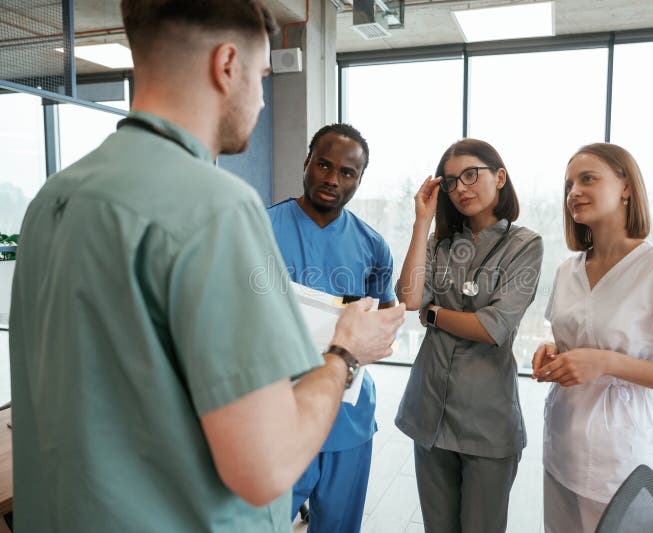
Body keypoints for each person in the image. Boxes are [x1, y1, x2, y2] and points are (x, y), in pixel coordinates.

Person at [8, 2, 405, 532]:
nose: (262, 101)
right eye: (262, 78)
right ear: (227, 64)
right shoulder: (216, 208)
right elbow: (266, 463)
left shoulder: (51, 200)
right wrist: (345, 354)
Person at [532, 142, 653, 532]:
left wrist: (607, 363)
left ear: (626, 188)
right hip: (561, 446)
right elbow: (576, 339)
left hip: (620, 462)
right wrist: (553, 353)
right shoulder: (569, 270)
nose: (574, 192)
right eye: (569, 184)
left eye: (588, 179)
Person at [394, 139, 543, 533]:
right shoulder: (441, 243)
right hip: (430, 412)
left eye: (471, 175)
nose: (460, 187)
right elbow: (410, 298)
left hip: (486, 422)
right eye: (450, 181)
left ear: (500, 176)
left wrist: (435, 313)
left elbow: (493, 326)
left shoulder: (524, 244)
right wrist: (422, 221)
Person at [267, 123, 394, 533]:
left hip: (348, 414)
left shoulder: (372, 246)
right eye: (324, 165)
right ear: (307, 161)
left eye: (347, 172)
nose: (332, 179)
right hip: (276, 413)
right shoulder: (258, 228)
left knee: (339, 527)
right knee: (255, 524)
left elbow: (382, 324)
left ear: (358, 180)